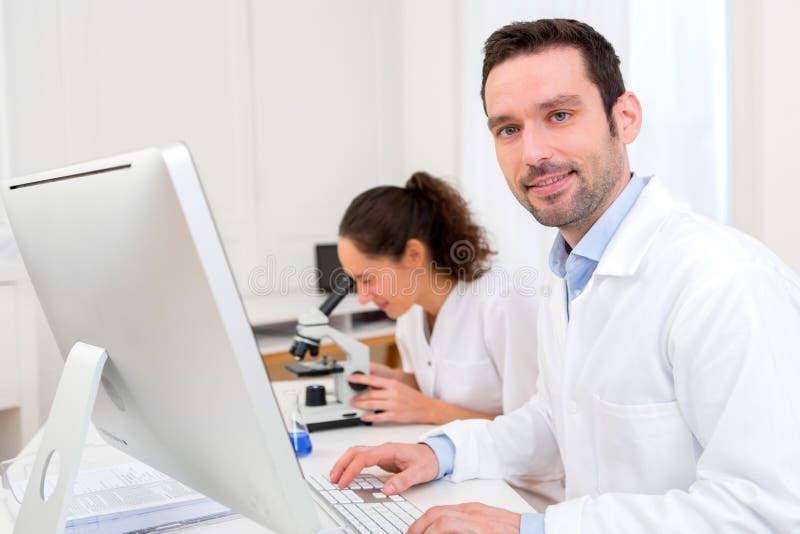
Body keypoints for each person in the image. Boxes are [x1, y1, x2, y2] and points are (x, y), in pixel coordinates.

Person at [329, 18, 800, 533]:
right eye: (508, 129)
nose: (532, 154)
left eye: (558, 114)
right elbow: (556, 422)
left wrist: (532, 529)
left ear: (625, 118)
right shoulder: (570, 277)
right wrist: (437, 451)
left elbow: (766, 512)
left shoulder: (727, 283)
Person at [337, 171, 541, 426]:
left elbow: (537, 430)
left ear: (413, 254)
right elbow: (445, 388)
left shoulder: (502, 303)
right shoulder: (410, 311)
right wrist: (400, 382)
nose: (364, 298)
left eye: (368, 279)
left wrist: (429, 410)